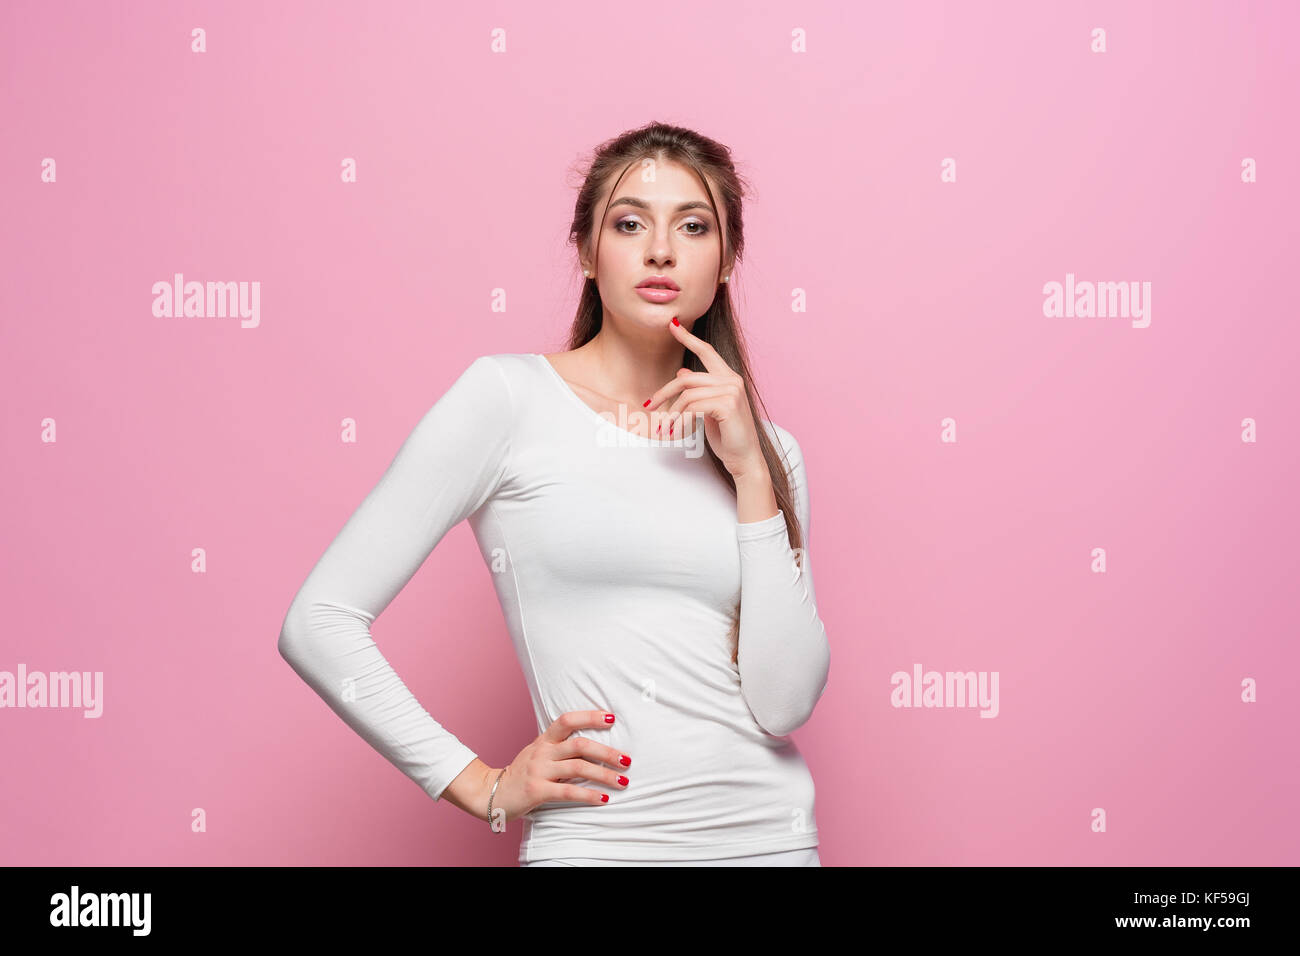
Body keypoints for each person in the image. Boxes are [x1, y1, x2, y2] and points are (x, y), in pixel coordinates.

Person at [278, 121, 831, 866]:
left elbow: (784, 701)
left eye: (693, 227)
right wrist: (479, 784)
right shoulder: (506, 399)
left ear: (727, 259)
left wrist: (753, 475)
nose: (660, 250)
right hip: (598, 846)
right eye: (629, 223)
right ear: (585, 251)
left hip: (770, 846)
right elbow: (319, 621)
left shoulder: (769, 454)